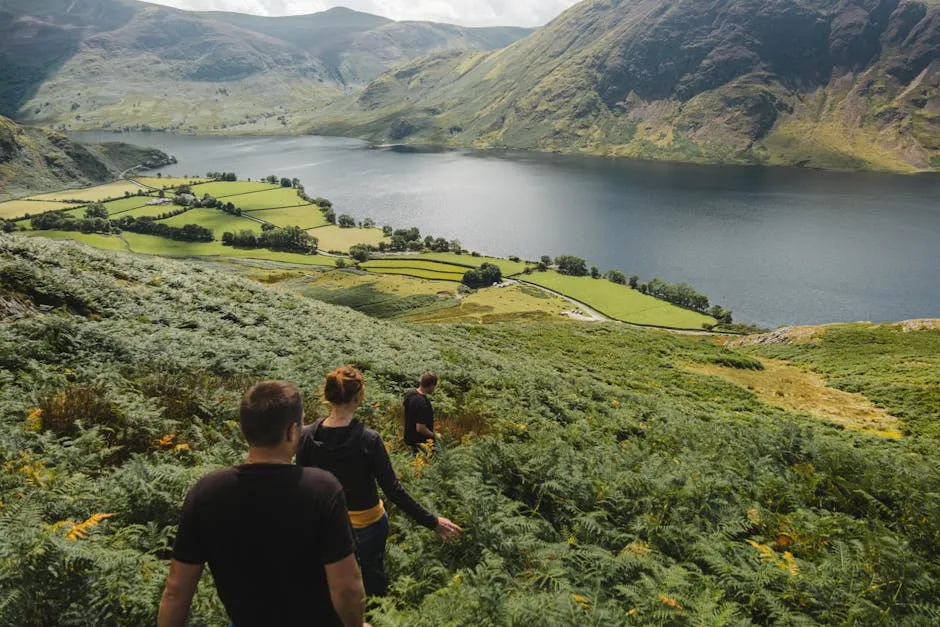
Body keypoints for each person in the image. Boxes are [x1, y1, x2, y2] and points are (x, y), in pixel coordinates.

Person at [158, 381, 368, 627]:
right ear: (292, 431)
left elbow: (175, 590)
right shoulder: (321, 489)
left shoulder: (206, 492)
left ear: (245, 430)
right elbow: (346, 587)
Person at [296, 366, 462, 597]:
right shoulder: (368, 439)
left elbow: (300, 488)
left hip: (326, 524)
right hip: (368, 525)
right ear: (358, 397)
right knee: (371, 578)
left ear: (328, 395)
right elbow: (393, 490)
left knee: (330, 582)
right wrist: (432, 521)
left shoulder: (306, 436)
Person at [403, 372, 440, 455]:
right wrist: (434, 435)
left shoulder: (409, 394)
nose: (434, 389)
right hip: (421, 445)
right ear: (431, 386)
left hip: (409, 439)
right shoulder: (423, 403)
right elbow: (420, 428)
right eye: (434, 386)